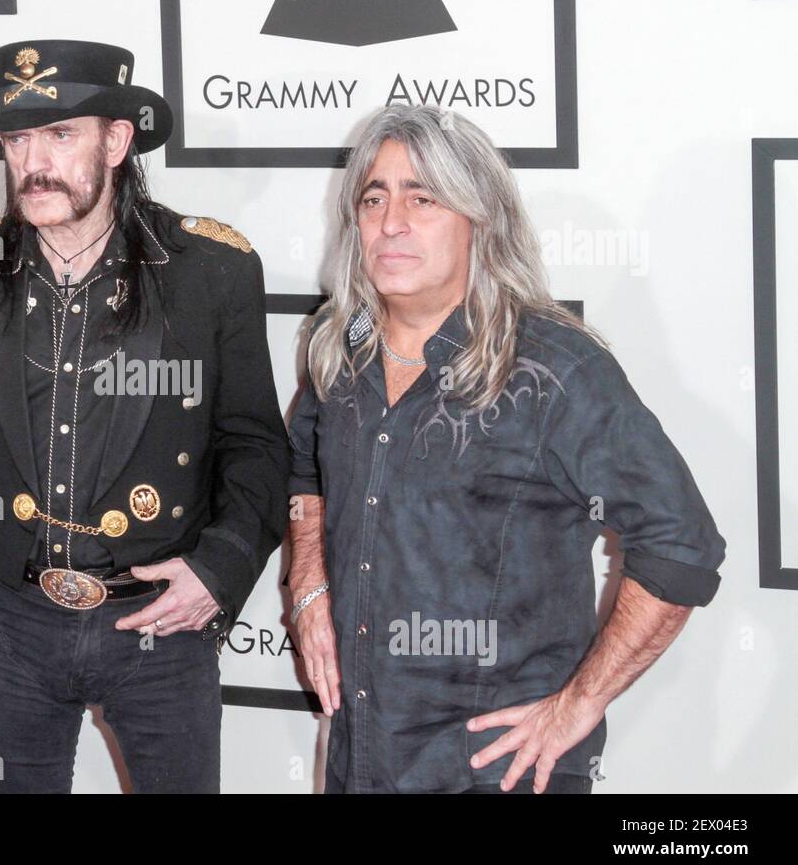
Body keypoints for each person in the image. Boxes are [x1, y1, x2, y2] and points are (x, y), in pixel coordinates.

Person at [0, 40, 290, 793]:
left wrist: (218, 571)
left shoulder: (210, 270)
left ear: (118, 139)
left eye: (60, 134)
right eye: (17, 137)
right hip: (8, 622)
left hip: (159, 626)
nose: (32, 160)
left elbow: (254, 446)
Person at [286, 104, 726, 794]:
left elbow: (682, 546)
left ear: (480, 220)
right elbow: (303, 467)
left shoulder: (556, 371)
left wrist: (578, 705)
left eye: (422, 198)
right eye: (375, 197)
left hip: (495, 770)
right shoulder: (339, 348)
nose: (391, 221)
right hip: (360, 754)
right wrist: (309, 588)